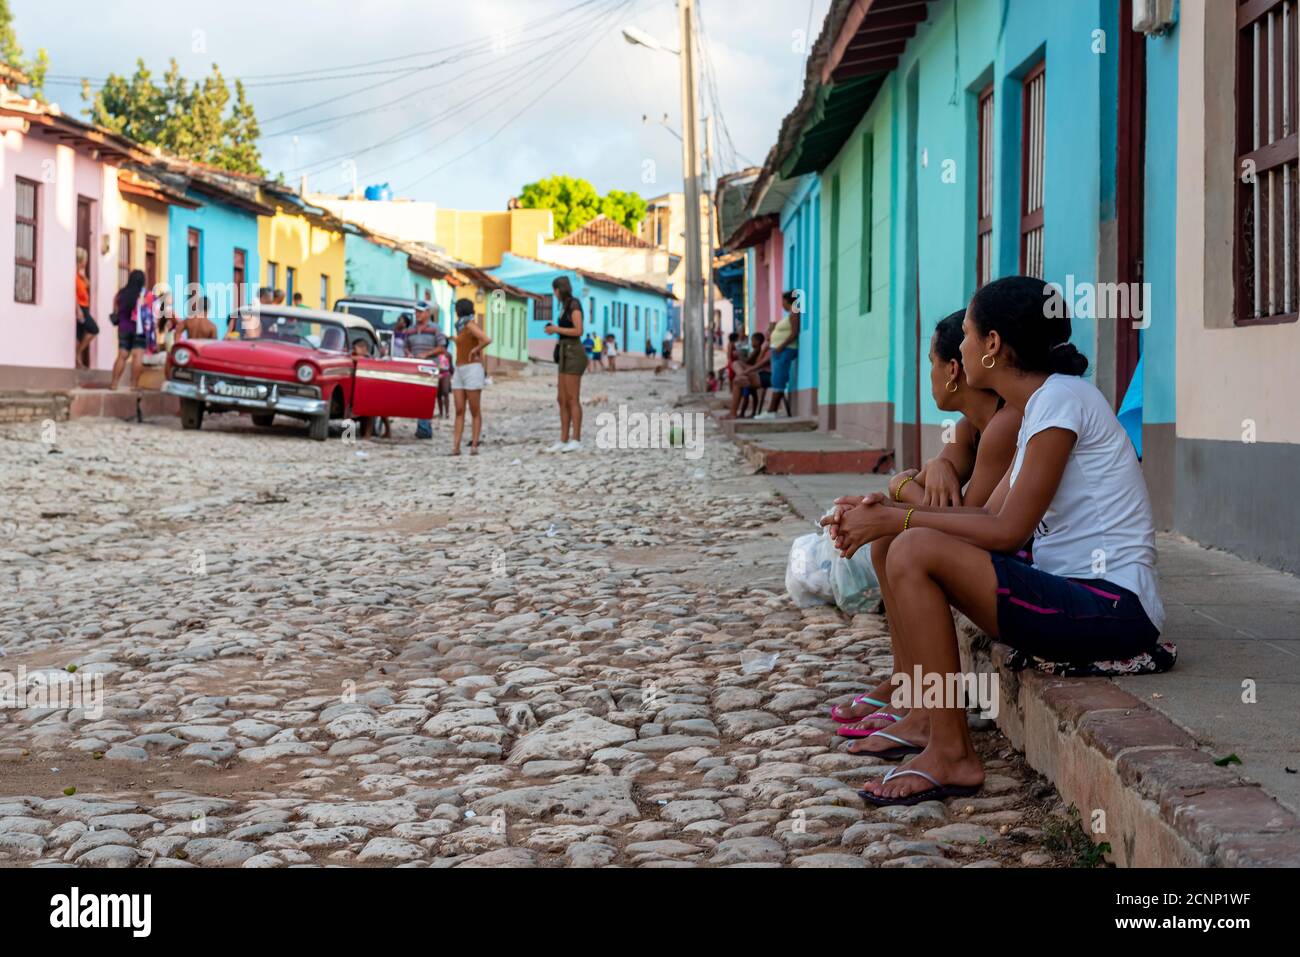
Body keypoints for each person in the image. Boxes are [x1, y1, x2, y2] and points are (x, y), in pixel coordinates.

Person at [823, 276, 1164, 805]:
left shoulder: (1060, 404)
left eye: (966, 334)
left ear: (993, 345)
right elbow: (987, 514)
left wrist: (898, 519)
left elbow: (1007, 532)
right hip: (1075, 594)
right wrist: (887, 512)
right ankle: (924, 720)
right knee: (902, 541)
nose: (958, 347)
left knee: (911, 544)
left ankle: (952, 754)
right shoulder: (1043, 406)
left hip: (1112, 607)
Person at [829, 309, 1022, 743]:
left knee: (902, 541)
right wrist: (932, 467)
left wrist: (897, 491)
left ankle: (927, 711)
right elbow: (930, 480)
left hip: (1021, 557)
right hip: (987, 539)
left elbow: (964, 518)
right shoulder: (967, 426)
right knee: (887, 541)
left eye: (931, 363)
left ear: (953, 369)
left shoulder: (1004, 425)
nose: (930, 374)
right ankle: (907, 684)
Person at [545, 276, 589, 452]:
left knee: (572, 398)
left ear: (558, 290)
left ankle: (576, 438)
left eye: (554, 290)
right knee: (561, 398)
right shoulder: (564, 307)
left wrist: (556, 329)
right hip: (564, 352)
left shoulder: (574, 305)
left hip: (573, 352)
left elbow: (578, 330)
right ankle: (563, 439)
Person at [450, 298, 490, 456]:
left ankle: (474, 445)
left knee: (474, 410)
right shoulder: (461, 327)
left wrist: (476, 350)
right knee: (459, 409)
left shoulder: (470, 325)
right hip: (459, 369)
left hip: (472, 369)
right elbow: (465, 342)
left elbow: (487, 339)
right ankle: (456, 446)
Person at [755, 291, 801, 419]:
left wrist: (782, 345)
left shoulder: (794, 315)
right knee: (776, 379)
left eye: (783, 302)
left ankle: (771, 411)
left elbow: (794, 333)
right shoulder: (790, 315)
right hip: (779, 351)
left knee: (779, 380)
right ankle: (771, 411)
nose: (782, 305)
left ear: (788, 301)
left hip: (785, 350)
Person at [409, 302, 448, 440]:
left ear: (427, 313)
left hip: (430, 368)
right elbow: (407, 346)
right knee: (417, 398)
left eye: (420, 312)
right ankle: (424, 427)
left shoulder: (436, 328)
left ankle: (424, 428)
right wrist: (408, 353)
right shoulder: (411, 329)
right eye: (416, 312)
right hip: (414, 367)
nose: (417, 314)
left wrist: (427, 354)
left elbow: (442, 347)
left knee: (425, 397)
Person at [109, 270, 148, 391]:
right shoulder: (144, 295)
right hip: (139, 329)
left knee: (122, 355)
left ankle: (114, 383)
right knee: (137, 356)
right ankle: (134, 384)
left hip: (123, 328)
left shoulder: (120, 294)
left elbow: (115, 311)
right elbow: (149, 313)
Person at [727, 332, 770, 418]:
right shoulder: (765, 348)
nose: (767, 334)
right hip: (755, 372)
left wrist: (748, 369)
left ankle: (736, 413)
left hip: (760, 373)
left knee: (739, 382)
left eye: (753, 340)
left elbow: (758, 363)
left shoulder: (764, 349)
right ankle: (741, 375)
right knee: (736, 364)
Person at [74, 248, 98, 369]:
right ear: (81, 260)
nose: (86, 262)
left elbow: (88, 286)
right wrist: (78, 309)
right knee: (94, 330)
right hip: (81, 308)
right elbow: (73, 293)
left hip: (85, 306)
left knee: (79, 335)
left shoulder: (80, 274)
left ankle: (77, 360)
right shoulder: (73, 273)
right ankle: (77, 353)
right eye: (85, 259)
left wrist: (84, 277)